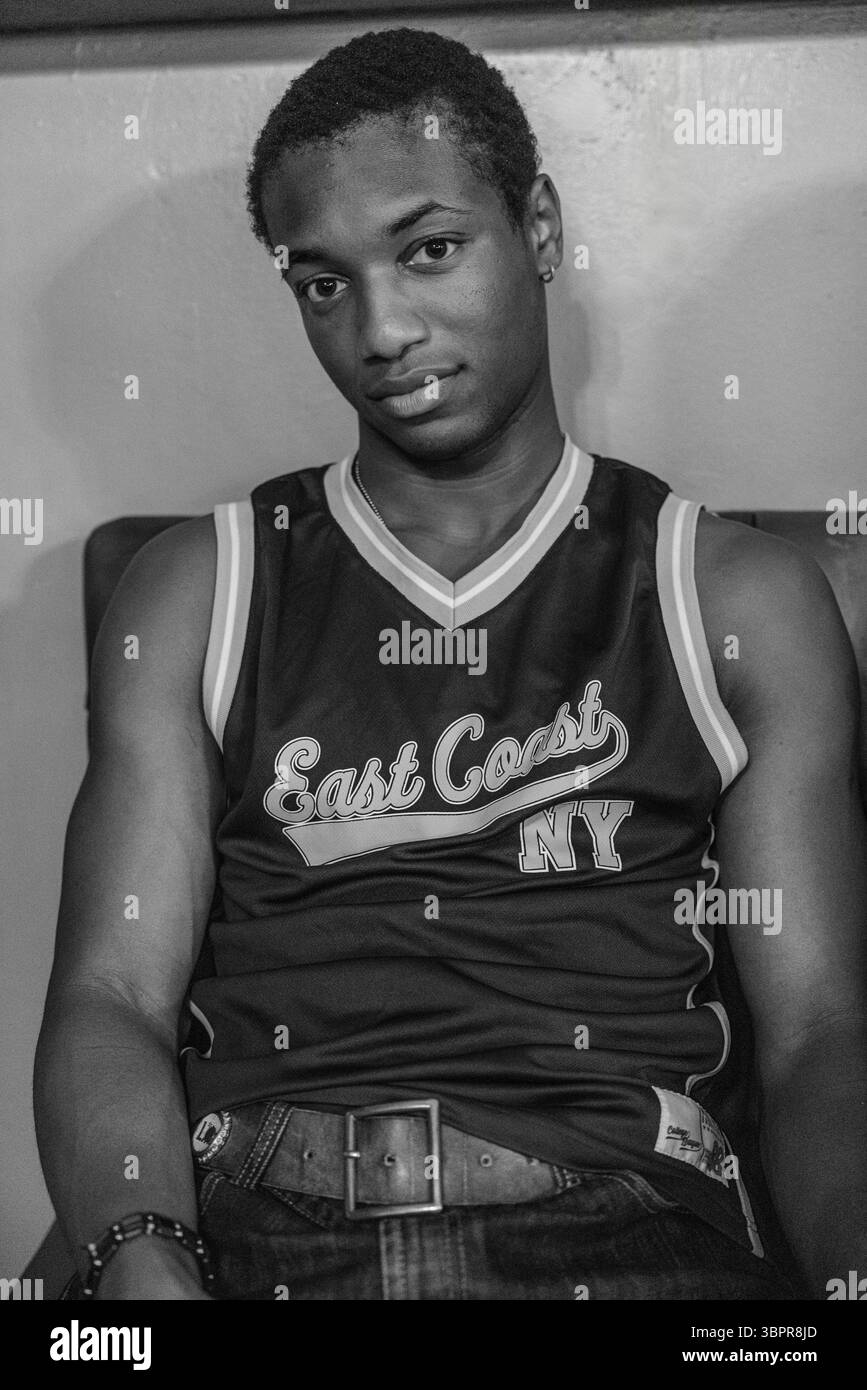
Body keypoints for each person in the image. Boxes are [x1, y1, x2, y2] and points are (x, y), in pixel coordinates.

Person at [34, 27, 867, 1301]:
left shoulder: (728, 593)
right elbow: (109, 995)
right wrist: (144, 1272)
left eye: (429, 250)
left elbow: (820, 1039)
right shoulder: (202, 590)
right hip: (255, 1215)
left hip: (630, 1221)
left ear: (537, 229)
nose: (381, 328)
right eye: (323, 282)